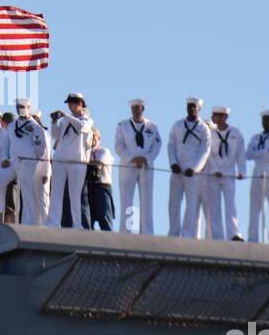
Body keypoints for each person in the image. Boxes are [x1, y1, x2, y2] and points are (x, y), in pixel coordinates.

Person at [113, 98, 163, 234]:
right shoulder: (122, 125)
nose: (135, 110)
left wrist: (146, 158)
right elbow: (118, 145)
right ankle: (126, 230)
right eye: (133, 108)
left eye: (138, 107)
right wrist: (132, 158)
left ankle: (147, 231)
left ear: (143, 109)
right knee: (126, 198)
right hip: (128, 165)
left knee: (147, 199)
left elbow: (157, 145)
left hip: (146, 165)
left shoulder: (152, 126)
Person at [167, 97, 212, 239]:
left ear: (199, 109)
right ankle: (173, 232)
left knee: (191, 203)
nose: (191, 109)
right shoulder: (177, 125)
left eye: (194, 106)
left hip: (192, 171)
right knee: (173, 202)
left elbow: (205, 150)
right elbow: (171, 145)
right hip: (177, 168)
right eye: (189, 106)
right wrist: (173, 163)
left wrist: (195, 168)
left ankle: (187, 233)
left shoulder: (204, 128)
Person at [48, 93, 95, 228]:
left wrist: (66, 116)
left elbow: (81, 127)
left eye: (72, 103)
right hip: (60, 158)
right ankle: (53, 222)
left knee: (75, 195)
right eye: (68, 104)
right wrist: (54, 122)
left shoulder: (87, 120)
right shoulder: (64, 120)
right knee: (56, 193)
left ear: (80, 104)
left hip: (77, 161)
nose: (69, 106)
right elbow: (55, 135)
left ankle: (77, 224)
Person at [203, 106, 246, 241]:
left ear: (224, 117)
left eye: (215, 115)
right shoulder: (210, 132)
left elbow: (240, 153)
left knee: (230, 204)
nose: (212, 118)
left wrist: (242, 171)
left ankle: (234, 233)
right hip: (213, 174)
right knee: (214, 206)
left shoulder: (236, 132)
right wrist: (214, 169)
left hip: (229, 174)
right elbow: (207, 153)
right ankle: (216, 236)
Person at [246, 110, 269, 244]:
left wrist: (258, 153)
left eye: (268, 120)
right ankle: (252, 238)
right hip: (257, 171)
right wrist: (265, 152)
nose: (265, 122)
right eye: (264, 120)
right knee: (254, 207)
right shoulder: (256, 137)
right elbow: (248, 154)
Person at [86, 129, 116, 231]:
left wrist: (86, 164)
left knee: (105, 217)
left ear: (99, 138)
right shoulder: (86, 153)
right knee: (88, 220)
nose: (92, 138)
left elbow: (98, 165)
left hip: (102, 187)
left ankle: (109, 240)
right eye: (90, 135)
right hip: (89, 187)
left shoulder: (104, 151)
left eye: (94, 135)